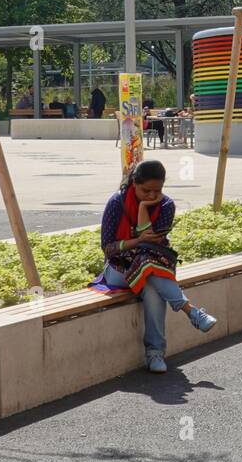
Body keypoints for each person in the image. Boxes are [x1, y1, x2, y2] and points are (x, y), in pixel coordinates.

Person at [90, 159, 216, 374]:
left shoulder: (166, 206)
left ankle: (155, 354)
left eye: (156, 191)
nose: (150, 195)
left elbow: (152, 242)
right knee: (148, 267)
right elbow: (108, 248)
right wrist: (136, 241)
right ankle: (190, 313)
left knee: (150, 284)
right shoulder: (116, 203)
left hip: (151, 267)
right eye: (144, 191)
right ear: (133, 183)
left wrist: (142, 208)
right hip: (117, 270)